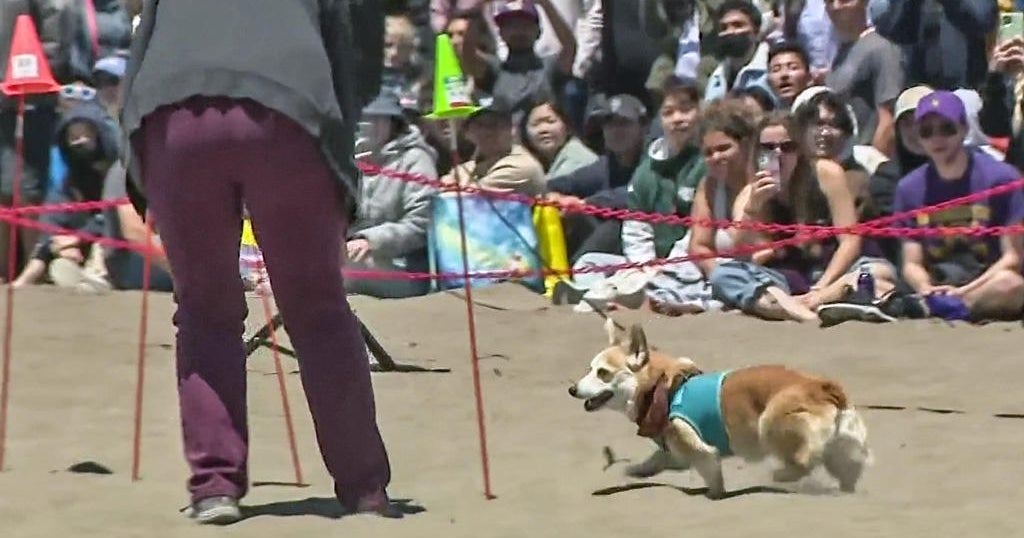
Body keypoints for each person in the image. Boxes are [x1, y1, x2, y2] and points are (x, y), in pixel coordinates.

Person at [119, 0, 394, 525]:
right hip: (286, 109)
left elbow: (142, 30)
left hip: (171, 110)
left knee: (203, 310)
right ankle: (364, 488)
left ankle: (214, 486)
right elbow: (354, 53)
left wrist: (136, 156)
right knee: (317, 309)